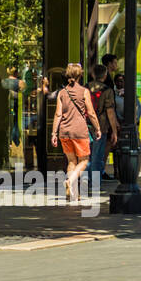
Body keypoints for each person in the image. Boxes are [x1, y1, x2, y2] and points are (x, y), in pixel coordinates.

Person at [50, 63, 100, 204]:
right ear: (80, 75)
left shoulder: (62, 92)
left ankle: (72, 193)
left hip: (64, 132)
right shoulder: (84, 91)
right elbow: (90, 112)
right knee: (84, 161)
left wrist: (54, 133)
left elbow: (58, 114)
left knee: (71, 161)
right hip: (79, 131)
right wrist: (97, 128)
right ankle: (70, 181)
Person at [87, 64, 119, 180]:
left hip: (86, 125)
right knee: (98, 156)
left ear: (93, 74)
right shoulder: (108, 91)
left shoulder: (85, 88)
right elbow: (110, 112)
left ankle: (86, 182)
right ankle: (95, 184)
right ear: (105, 76)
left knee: (86, 156)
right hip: (101, 126)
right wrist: (114, 131)